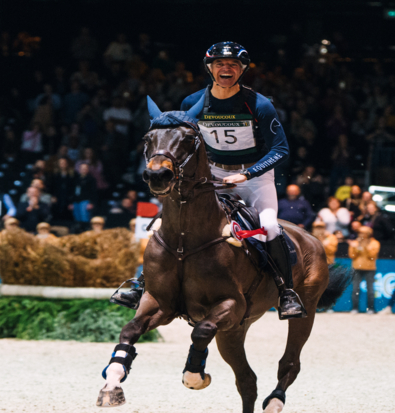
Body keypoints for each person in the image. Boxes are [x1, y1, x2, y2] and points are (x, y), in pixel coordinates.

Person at [113, 41, 305, 319]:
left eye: (232, 65)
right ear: (210, 69)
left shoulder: (259, 105)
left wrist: (247, 174)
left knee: (270, 226)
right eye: (219, 64)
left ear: (242, 70)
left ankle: (286, 292)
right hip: (211, 174)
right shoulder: (191, 104)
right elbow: (182, 144)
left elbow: (281, 149)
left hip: (253, 175)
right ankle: (142, 284)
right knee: (172, 219)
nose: (226, 68)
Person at [348, 225, 380, 314]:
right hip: (357, 267)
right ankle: (354, 308)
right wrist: (356, 248)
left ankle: (371, 308)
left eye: (363, 233)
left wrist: (365, 247)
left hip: (370, 268)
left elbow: (372, 256)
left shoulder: (374, 243)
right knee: (355, 289)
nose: (361, 235)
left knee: (370, 289)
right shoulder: (355, 243)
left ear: (368, 234)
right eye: (360, 233)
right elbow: (352, 256)